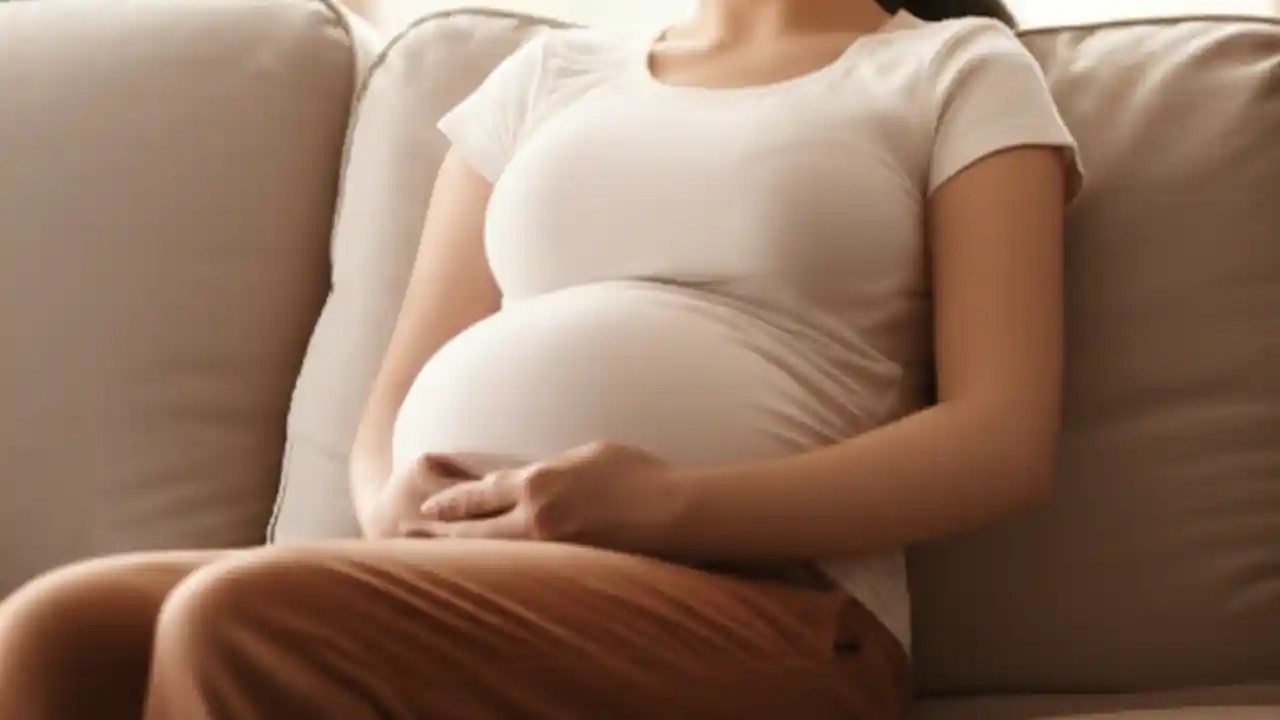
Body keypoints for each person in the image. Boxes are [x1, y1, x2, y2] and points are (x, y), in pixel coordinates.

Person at [0, 0, 1082, 717]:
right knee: (55, 631)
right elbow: (404, 379)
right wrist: (385, 507)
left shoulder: (955, 72)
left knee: (239, 620)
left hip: (772, 609)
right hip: (455, 568)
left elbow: (999, 442)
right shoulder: (547, 75)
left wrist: (660, 507)